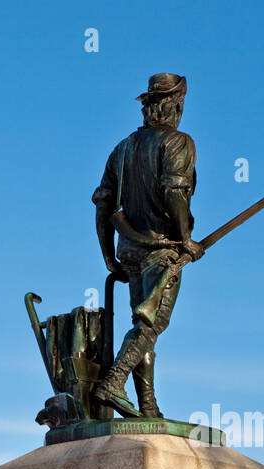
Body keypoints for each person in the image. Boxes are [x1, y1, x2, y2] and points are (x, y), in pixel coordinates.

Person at [90, 73, 202, 418]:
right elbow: (175, 193)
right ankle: (112, 383)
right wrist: (185, 241)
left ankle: (148, 405)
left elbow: (103, 205)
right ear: (175, 106)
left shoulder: (121, 149)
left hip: (130, 251)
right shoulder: (179, 143)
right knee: (150, 325)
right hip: (162, 250)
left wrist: (109, 255)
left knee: (143, 327)